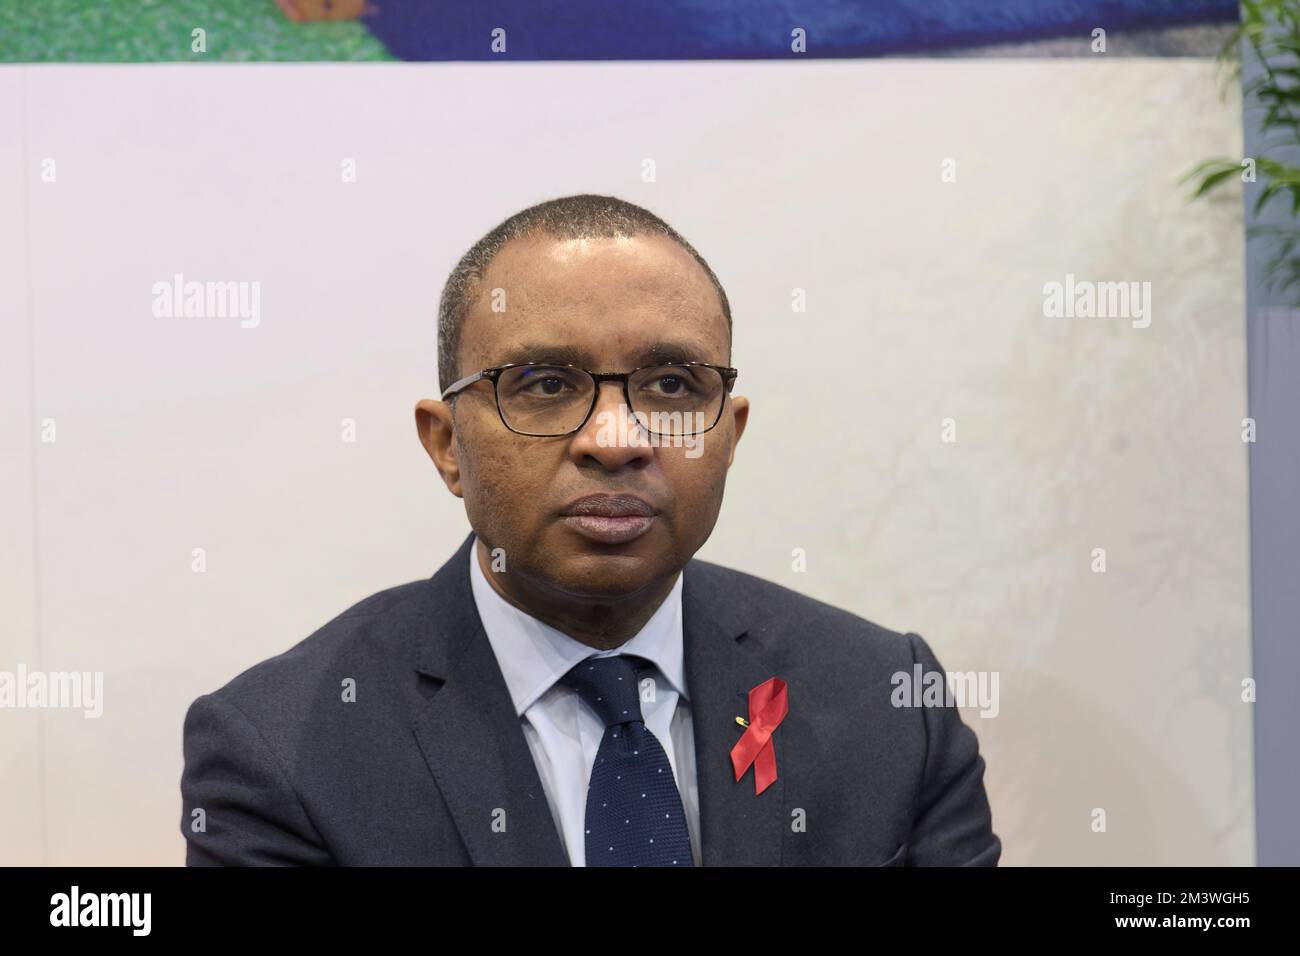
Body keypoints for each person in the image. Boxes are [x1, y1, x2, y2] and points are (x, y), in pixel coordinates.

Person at [180, 193, 1000, 866]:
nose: (616, 440)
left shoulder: (891, 701)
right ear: (446, 446)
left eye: (674, 385)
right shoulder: (285, 752)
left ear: (730, 435)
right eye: (543, 384)